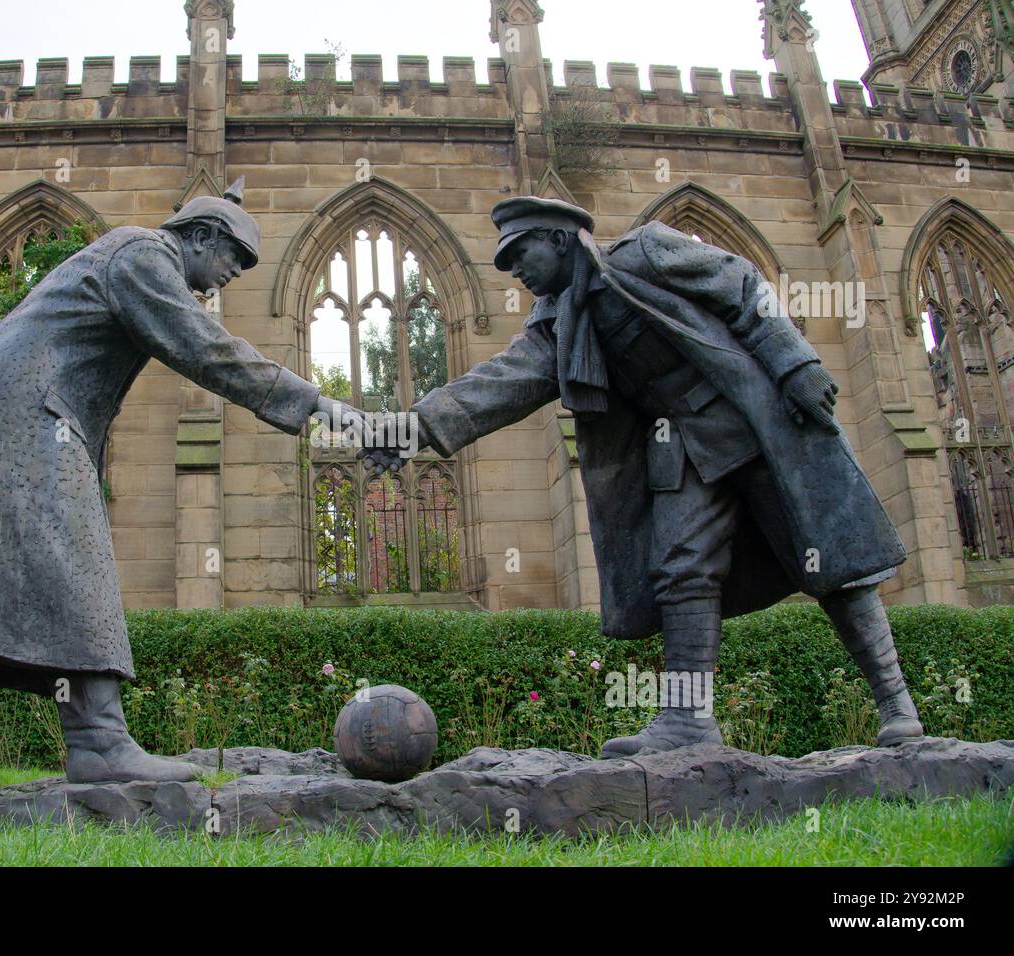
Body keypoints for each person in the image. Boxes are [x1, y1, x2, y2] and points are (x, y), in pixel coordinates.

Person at [0, 179, 366, 784]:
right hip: (31, 412)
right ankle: (97, 741)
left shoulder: (134, 256)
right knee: (74, 558)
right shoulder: (143, 255)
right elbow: (209, 353)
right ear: (199, 237)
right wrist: (325, 409)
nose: (229, 277)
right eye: (230, 261)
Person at [360, 195, 923, 756]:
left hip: (754, 419)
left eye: (521, 255)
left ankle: (897, 705)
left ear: (558, 239)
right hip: (679, 447)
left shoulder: (646, 251)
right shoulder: (556, 321)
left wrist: (795, 362)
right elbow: (497, 385)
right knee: (680, 570)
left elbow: (744, 285)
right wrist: (410, 430)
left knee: (827, 557)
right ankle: (688, 722)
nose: (516, 272)